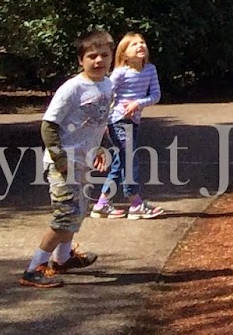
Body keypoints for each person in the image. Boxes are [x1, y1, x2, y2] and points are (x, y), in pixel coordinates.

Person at [19, 28, 115, 288]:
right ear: (81, 60)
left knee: (78, 213)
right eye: (92, 56)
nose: (99, 60)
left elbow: (99, 123)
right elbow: (48, 125)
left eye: (104, 55)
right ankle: (34, 269)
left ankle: (62, 258)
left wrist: (100, 148)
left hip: (83, 162)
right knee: (64, 217)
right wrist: (60, 159)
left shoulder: (107, 85)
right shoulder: (72, 88)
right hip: (64, 164)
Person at [92, 31, 168, 219]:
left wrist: (137, 104)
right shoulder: (120, 73)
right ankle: (135, 203)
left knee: (120, 163)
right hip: (118, 120)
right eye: (134, 44)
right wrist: (102, 122)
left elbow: (156, 95)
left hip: (133, 121)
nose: (140, 46)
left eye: (142, 42)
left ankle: (102, 204)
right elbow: (106, 96)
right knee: (129, 160)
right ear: (124, 54)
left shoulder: (150, 69)